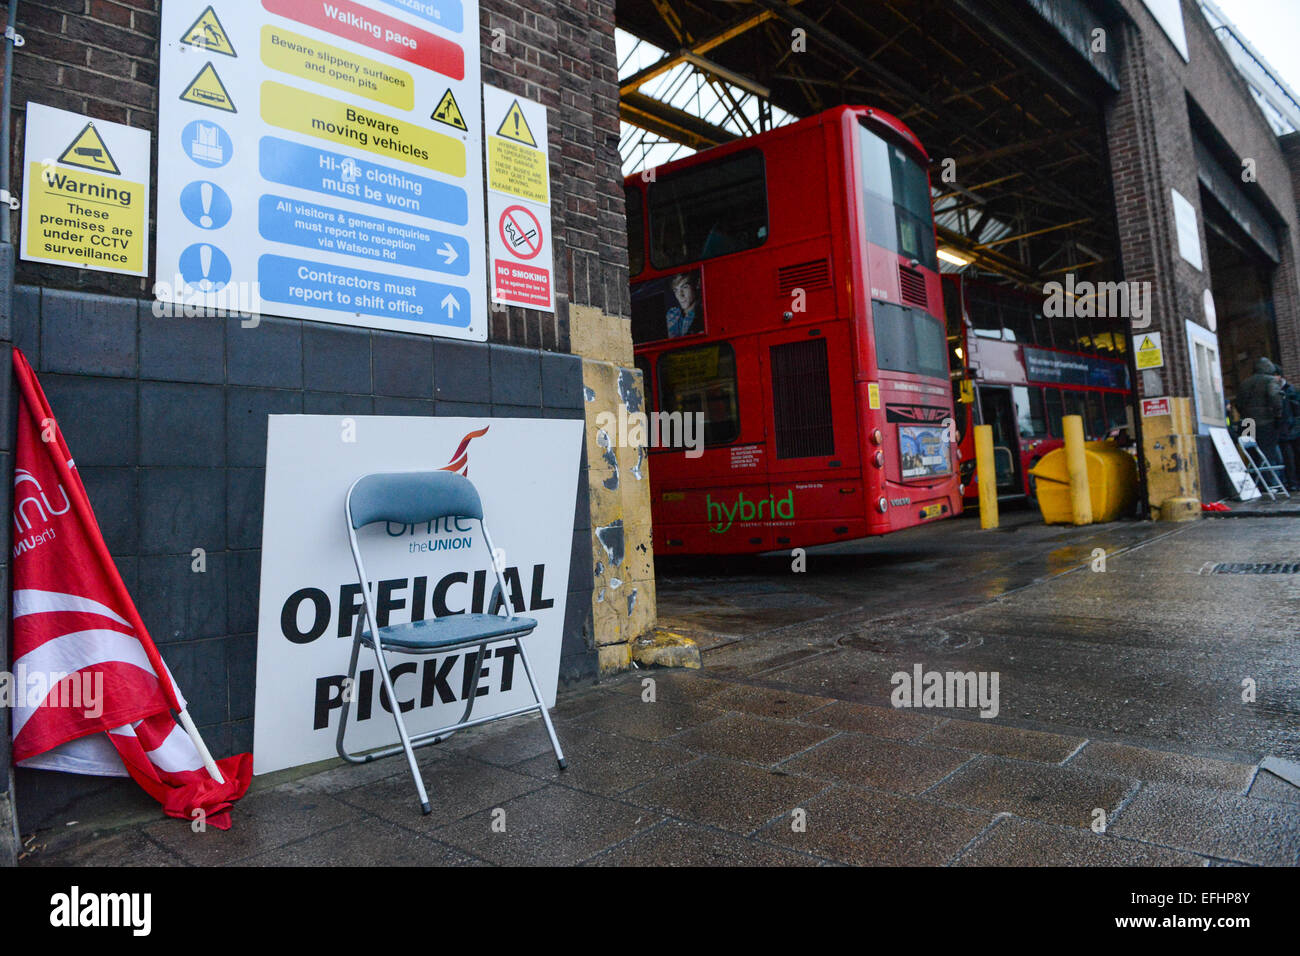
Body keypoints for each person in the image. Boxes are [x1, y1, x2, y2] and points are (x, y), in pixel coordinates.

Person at [1237, 357, 1284, 468]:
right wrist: (1278, 416)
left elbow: (1239, 404)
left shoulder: (1244, 383)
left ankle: (1257, 481)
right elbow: (1275, 399)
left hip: (1247, 423)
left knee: (1253, 456)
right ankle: (1270, 480)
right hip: (1265, 422)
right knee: (1268, 454)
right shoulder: (1271, 380)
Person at [665, 272, 701, 337]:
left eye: (685, 287)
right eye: (676, 290)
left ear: (697, 285)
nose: (680, 295)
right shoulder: (671, 314)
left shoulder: (704, 312)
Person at [1280, 376, 1300, 492]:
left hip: (1290, 431)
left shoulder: (1290, 391)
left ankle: (1293, 482)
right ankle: (1293, 482)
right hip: (1289, 430)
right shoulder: (1288, 390)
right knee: (1291, 458)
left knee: (1291, 458)